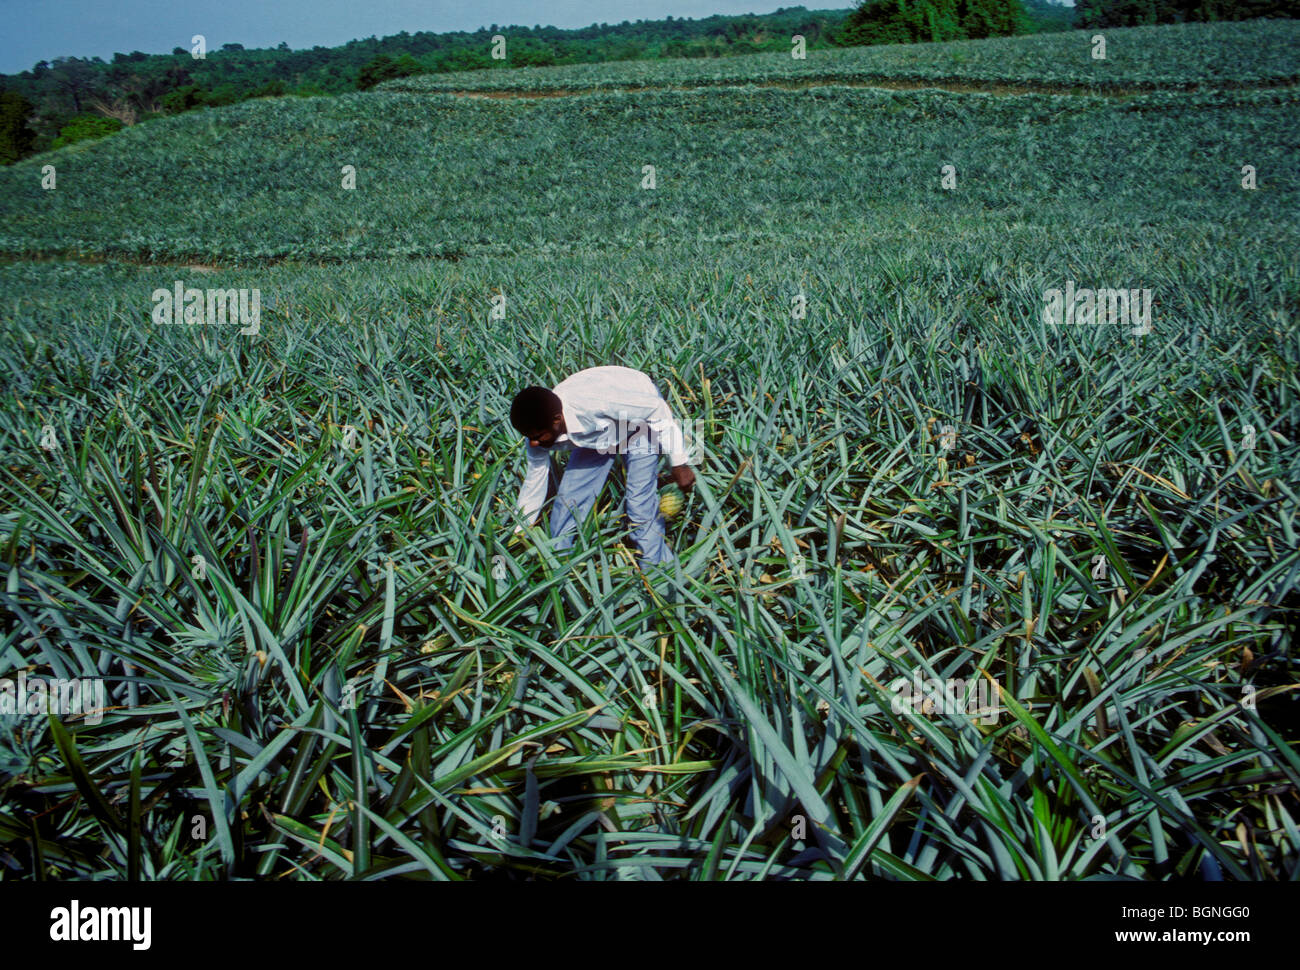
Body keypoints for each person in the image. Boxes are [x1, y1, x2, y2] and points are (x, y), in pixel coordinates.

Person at [509, 366, 696, 567]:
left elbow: (656, 409)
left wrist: (679, 463)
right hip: (600, 431)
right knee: (569, 501)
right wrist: (521, 531)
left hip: (641, 418)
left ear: (557, 419)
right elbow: (534, 482)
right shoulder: (537, 433)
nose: (534, 444)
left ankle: (657, 571)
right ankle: (561, 565)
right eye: (529, 438)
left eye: (537, 436)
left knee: (639, 504)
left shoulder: (596, 403)